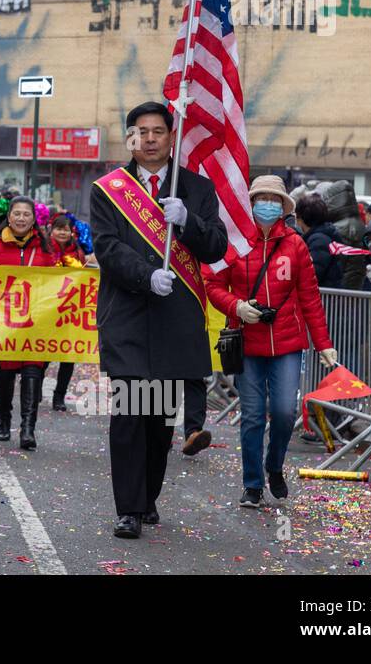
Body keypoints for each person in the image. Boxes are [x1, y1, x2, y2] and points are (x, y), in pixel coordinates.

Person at [91, 102, 228, 539]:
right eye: (141, 131)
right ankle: (128, 509)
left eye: (158, 131)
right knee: (131, 413)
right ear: (131, 137)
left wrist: (188, 222)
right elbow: (108, 248)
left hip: (175, 318)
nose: (150, 139)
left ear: (172, 137)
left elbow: (217, 246)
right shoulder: (108, 189)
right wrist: (145, 274)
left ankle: (148, 497)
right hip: (128, 315)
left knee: (157, 421)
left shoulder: (196, 189)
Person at [204, 175, 338, 507]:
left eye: (274, 199)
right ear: (249, 203)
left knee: (283, 412)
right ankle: (252, 484)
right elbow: (212, 283)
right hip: (247, 342)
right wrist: (236, 306)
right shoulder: (234, 242)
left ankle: (274, 466)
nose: (267, 204)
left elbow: (309, 298)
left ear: (282, 206)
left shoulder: (295, 244)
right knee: (251, 415)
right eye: (261, 198)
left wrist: (324, 343)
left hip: (287, 344)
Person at [0, 195, 56, 448]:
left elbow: (56, 282)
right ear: (8, 217)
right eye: (17, 213)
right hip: (4, 323)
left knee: (33, 372)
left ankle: (28, 429)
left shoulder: (44, 248)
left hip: (36, 323)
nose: (21, 218)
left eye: (26, 214)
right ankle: (3, 420)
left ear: (34, 219)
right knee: (5, 374)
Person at [47, 213, 91, 412]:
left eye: (66, 229)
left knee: (68, 356)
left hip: (71, 313)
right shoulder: (44, 249)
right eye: (59, 229)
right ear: (51, 230)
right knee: (42, 354)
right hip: (46, 311)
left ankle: (59, 396)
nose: (62, 233)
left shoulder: (78, 253)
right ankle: (35, 387)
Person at [296, 193, 345, 289]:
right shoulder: (323, 235)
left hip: (324, 298)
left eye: (297, 216)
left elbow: (312, 274)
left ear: (303, 218)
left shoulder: (318, 240)